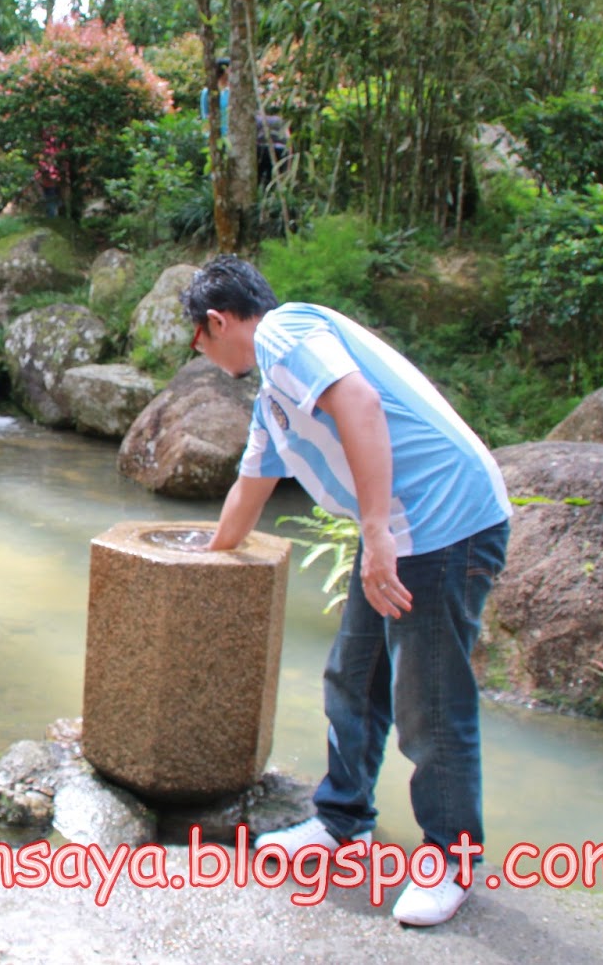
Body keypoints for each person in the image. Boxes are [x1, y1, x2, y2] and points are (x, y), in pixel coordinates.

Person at [184, 255, 511, 928]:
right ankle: (342, 820)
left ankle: (451, 860)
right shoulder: (274, 398)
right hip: (397, 529)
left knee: (430, 698)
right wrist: (200, 557)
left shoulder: (285, 332)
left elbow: (360, 402)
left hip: (444, 520)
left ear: (217, 322)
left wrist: (375, 531)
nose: (202, 355)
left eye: (198, 340)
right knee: (353, 675)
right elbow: (250, 488)